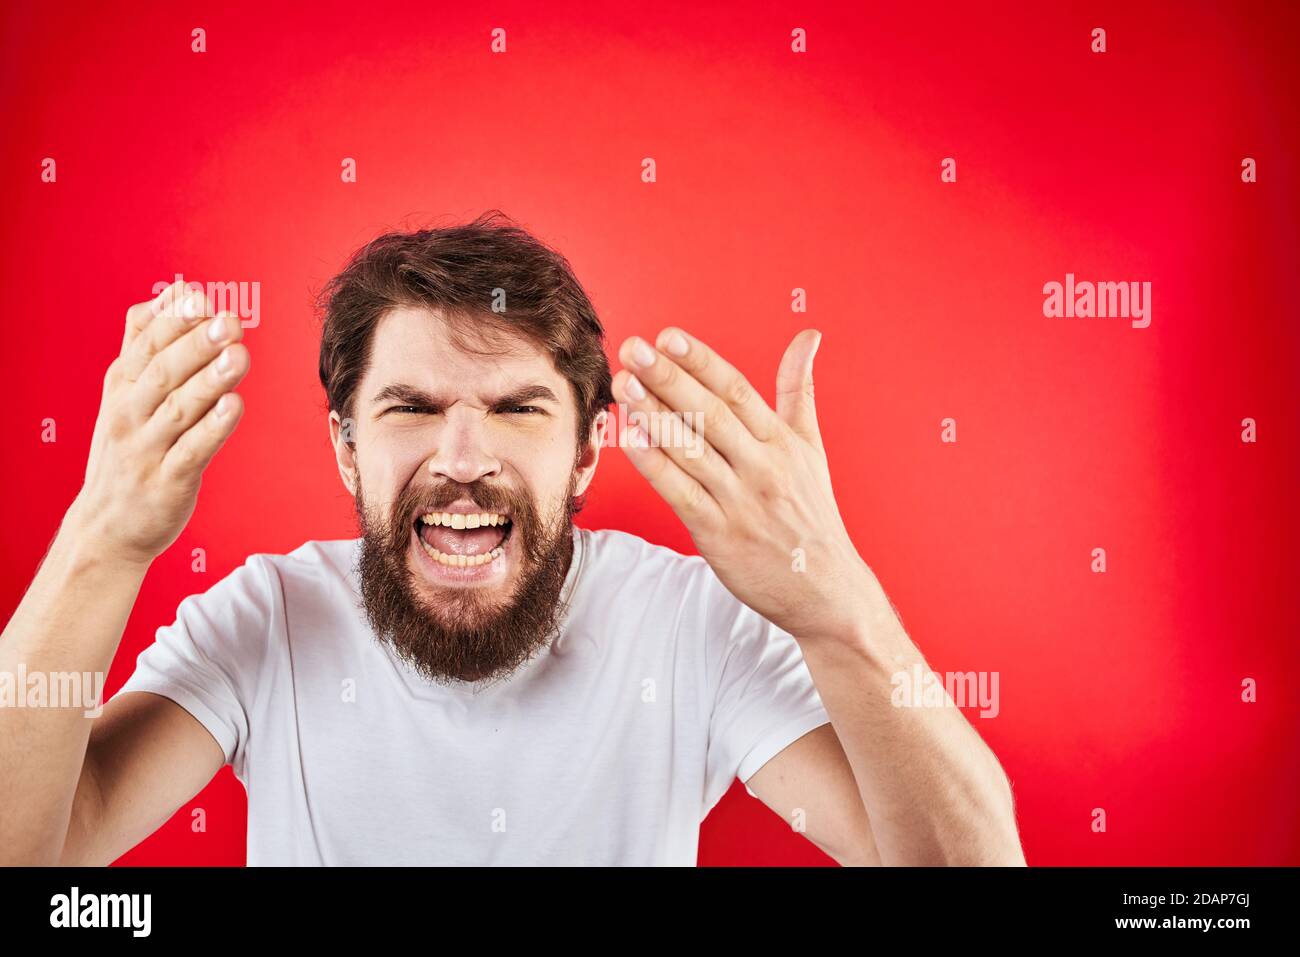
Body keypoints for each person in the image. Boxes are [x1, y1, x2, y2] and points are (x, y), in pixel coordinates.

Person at [0, 212, 1024, 866]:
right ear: (347, 452)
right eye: (410, 405)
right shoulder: (268, 619)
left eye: (516, 409)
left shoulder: (688, 629)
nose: (460, 456)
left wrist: (833, 600)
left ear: (584, 459)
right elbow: (34, 848)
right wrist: (104, 541)